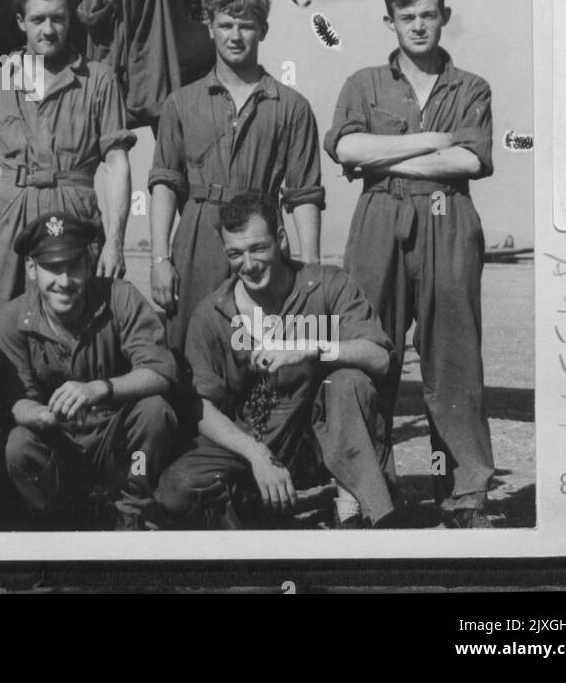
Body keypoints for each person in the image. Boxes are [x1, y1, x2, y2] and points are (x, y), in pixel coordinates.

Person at [324, 0, 495, 527]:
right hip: (379, 218)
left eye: (427, 14)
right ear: (389, 21)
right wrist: (428, 141)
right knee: (370, 348)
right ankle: (369, 493)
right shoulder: (363, 82)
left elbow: (469, 160)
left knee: (453, 356)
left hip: (448, 218)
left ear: (444, 15)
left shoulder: (470, 87)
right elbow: (347, 149)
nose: (418, 26)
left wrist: (387, 153)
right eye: (406, 17)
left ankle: (465, 494)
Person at [155, 195, 397, 529]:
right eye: (235, 254)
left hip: (318, 438)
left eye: (258, 248)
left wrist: (309, 348)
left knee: (348, 381)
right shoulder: (212, 314)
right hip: (252, 443)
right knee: (175, 492)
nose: (249, 265)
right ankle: (258, 518)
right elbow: (202, 408)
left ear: (281, 239)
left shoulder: (326, 285)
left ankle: (352, 511)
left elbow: (379, 356)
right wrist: (257, 456)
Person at [149, 0, 324, 352]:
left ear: (263, 29)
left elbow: (304, 194)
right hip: (197, 238)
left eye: (246, 25)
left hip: (261, 239)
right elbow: (164, 182)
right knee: (186, 350)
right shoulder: (180, 103)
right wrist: (160, 258)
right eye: (225, 25)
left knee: (263, 349)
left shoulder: (292, 107)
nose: (235, 36)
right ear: (209, 27)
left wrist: (309, 269)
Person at [0, 0, 134, 321]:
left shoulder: (100, 81)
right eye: (37, 19)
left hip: (73, 217)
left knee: (78, 323)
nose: (48, 30)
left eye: (58, 19)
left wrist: (115, 241)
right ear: (21, 22)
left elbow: (116, 165)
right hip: (8, 222)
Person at [0, 212, 178, 529]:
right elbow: (16, 400)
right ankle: (54, 519)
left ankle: (132, 511)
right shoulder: (11, 318)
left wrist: (98, 388)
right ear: (31, 269)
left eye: (74, 267)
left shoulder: (120, 297)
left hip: (114, 439)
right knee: (18, 444)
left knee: (154, 411)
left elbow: (160, 371)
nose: (64, 282)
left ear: (89, 263)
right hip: (58, 441)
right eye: (52, 269)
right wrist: (42, 416)